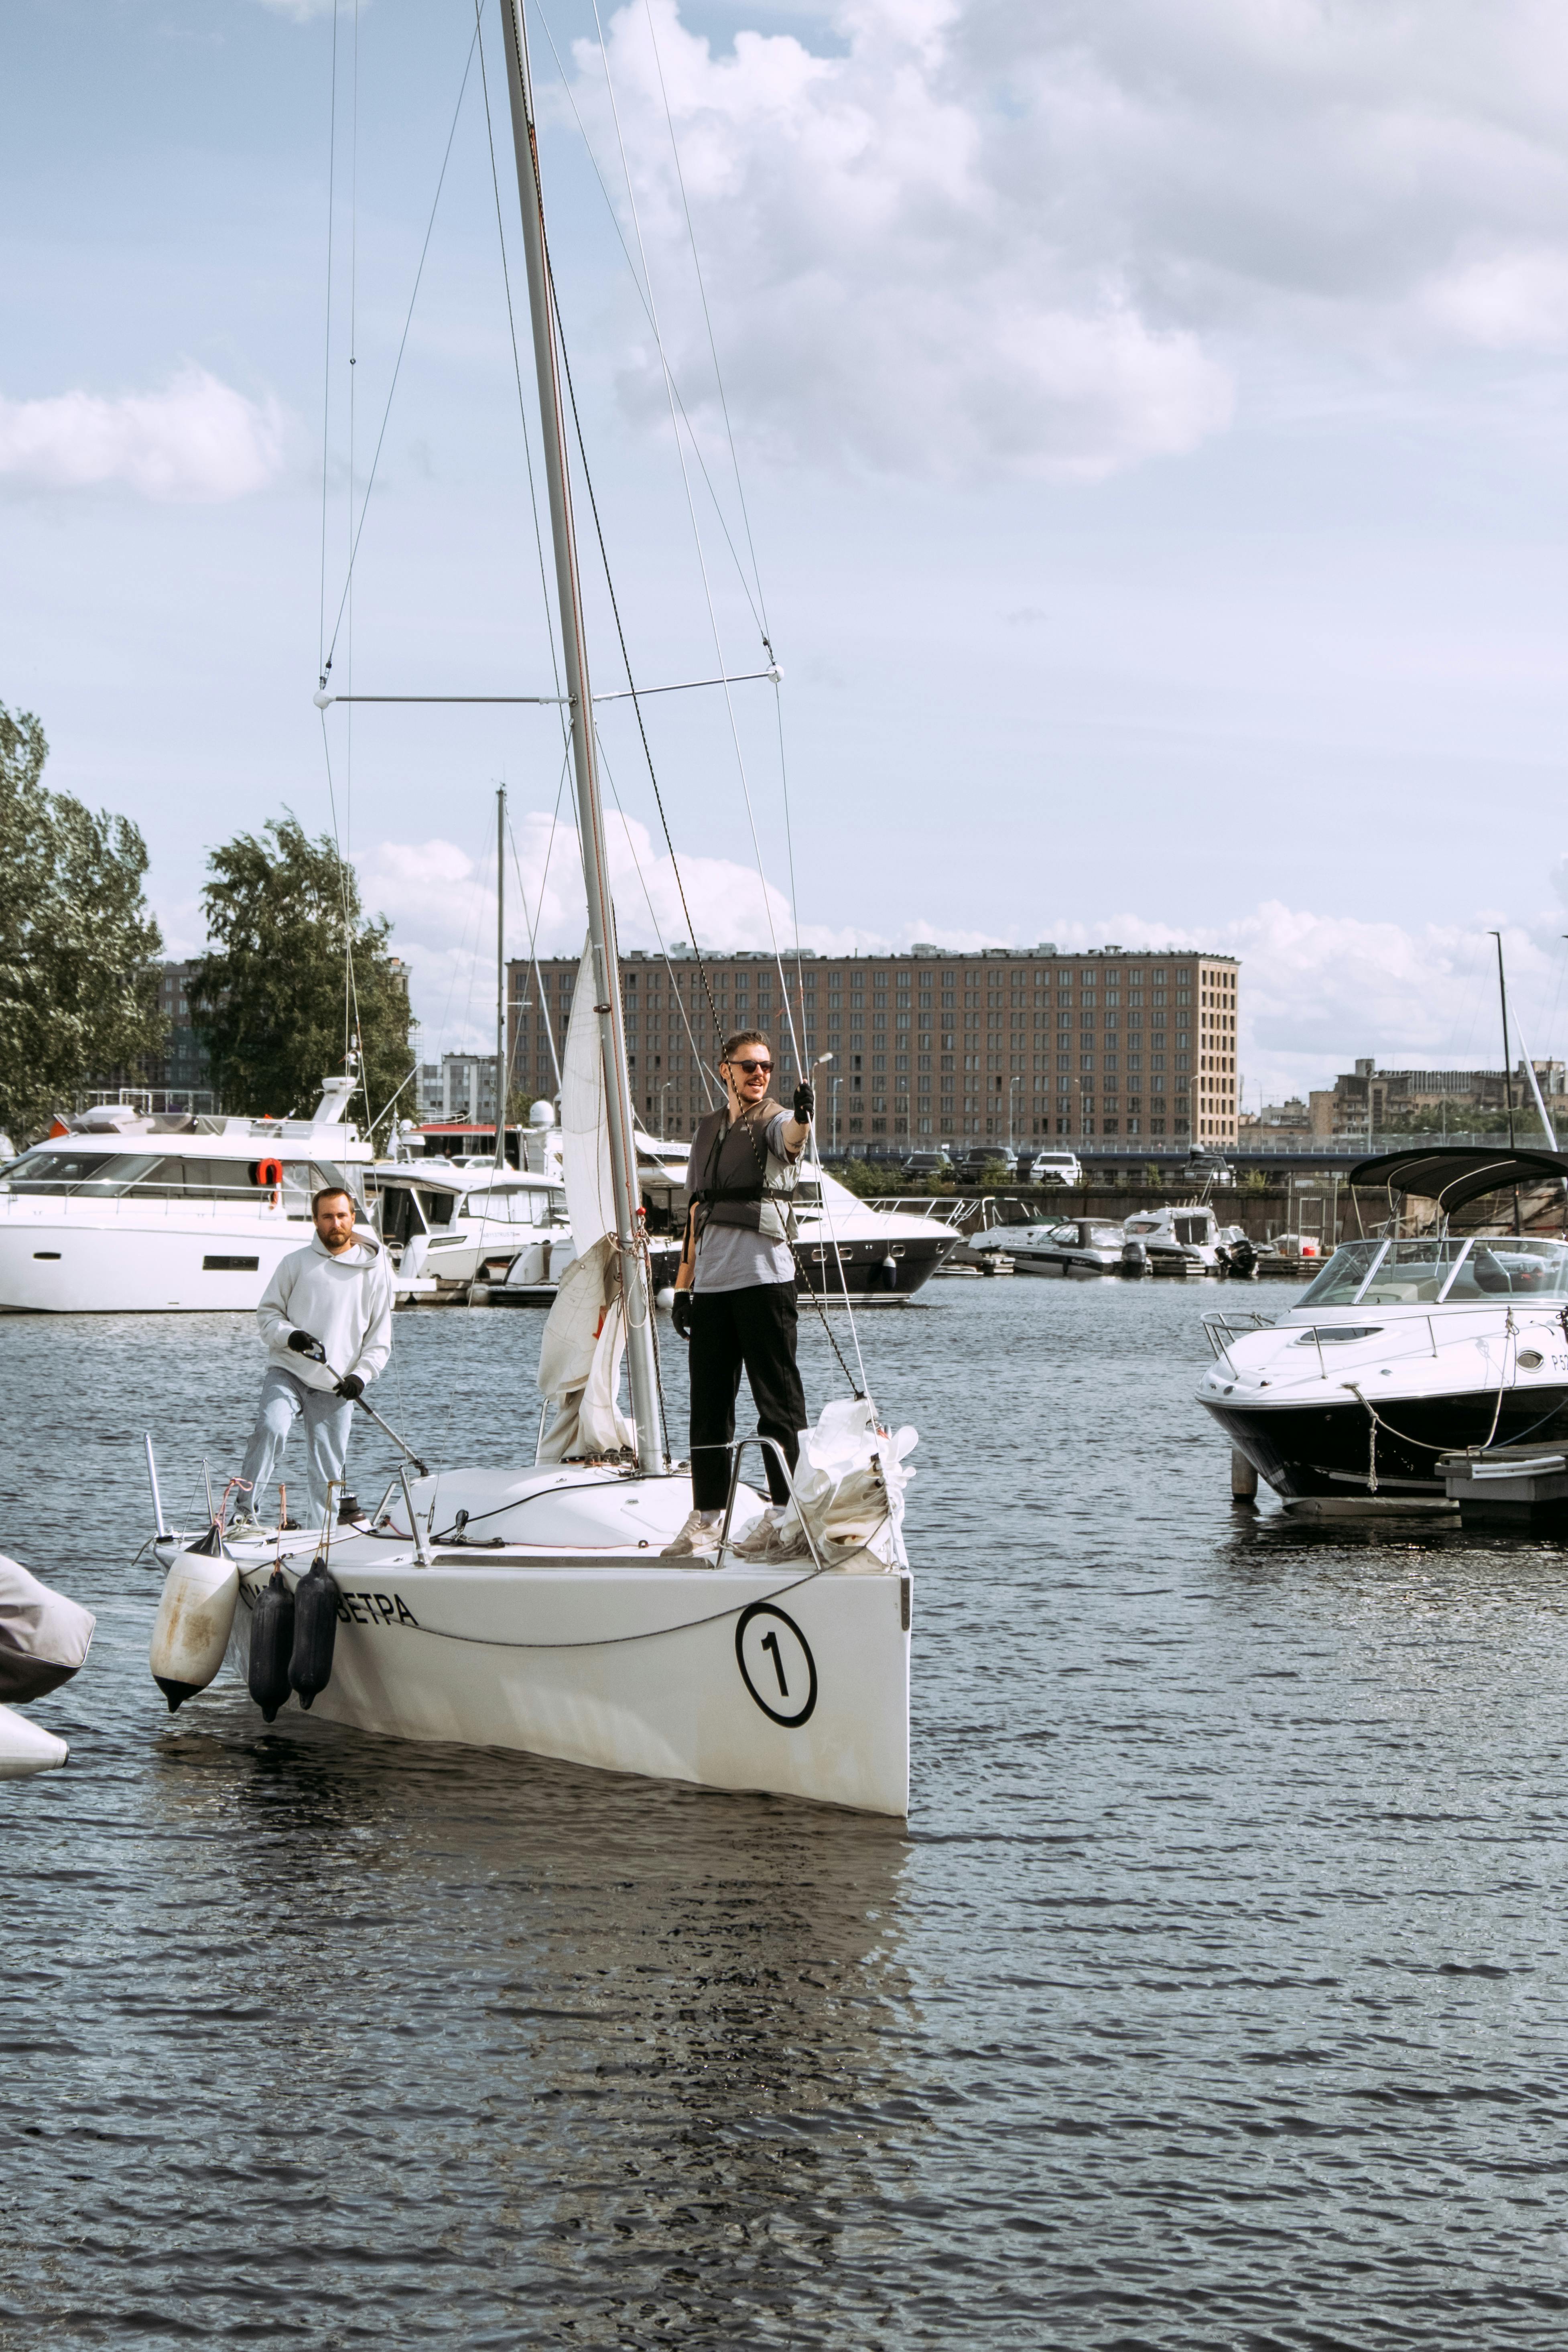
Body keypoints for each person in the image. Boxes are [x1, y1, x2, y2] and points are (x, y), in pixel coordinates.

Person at [663, 1029, 814, 1564]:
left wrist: (804, 1117)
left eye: (766, 1066)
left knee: (777, 1403)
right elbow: (696, 1212)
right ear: (724, 1069)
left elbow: (790, 1139)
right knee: (708, 1408)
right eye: (749, 1065)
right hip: (712, 1286)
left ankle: (785, 1516)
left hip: (764, 1281)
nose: (759, 1074)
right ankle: (707, 1520)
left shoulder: (776, 1119)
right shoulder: (707, 1129)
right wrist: (684, 1288)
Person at [228, 1184, 394, 1533]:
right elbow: (268, 1315)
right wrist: (290, 1335)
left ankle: (323, 1536)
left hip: (338, 1384)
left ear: (353, 1218)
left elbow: (380, 1341)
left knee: (327, 1467)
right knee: (270, 1429)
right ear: (316, 1221)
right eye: (327, 1217)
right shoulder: (295, 1263)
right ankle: (244, 1515)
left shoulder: (375, 1271)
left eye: (342, 1215)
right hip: (288, 1371)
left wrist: (361, 1377)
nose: (336, 1223)